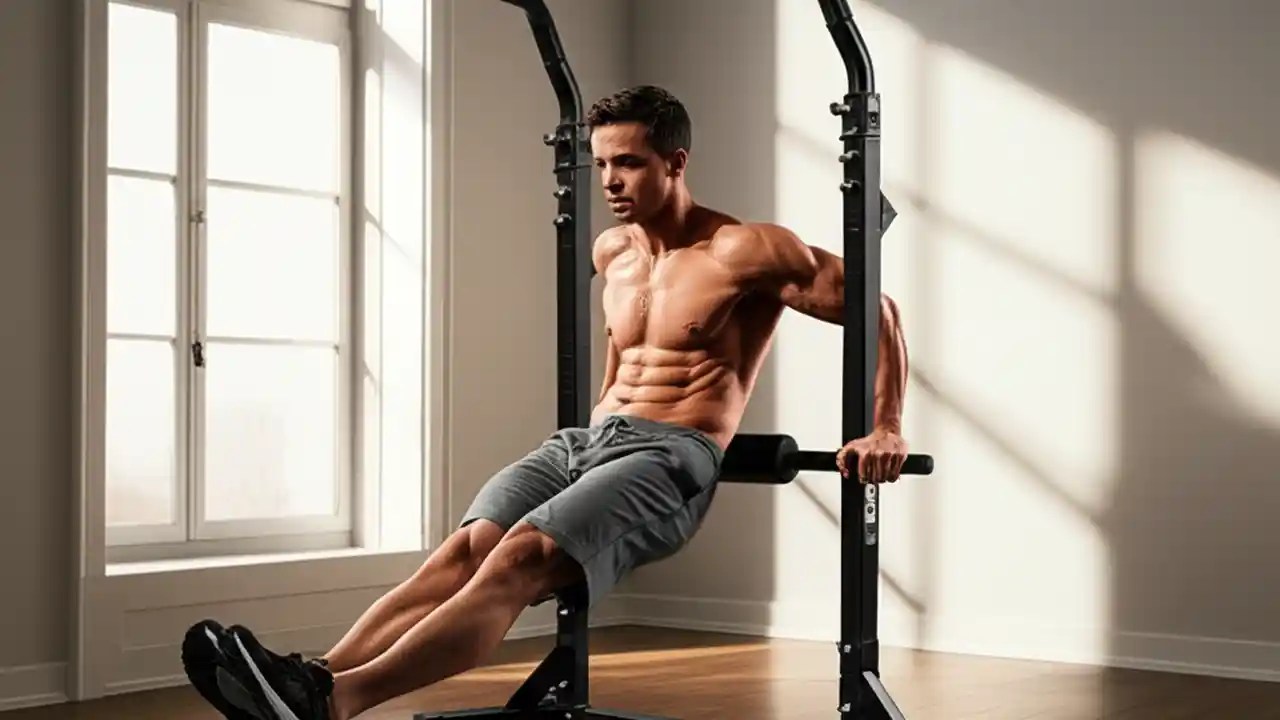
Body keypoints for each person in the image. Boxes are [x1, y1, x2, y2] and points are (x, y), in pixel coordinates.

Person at [180, 85, 912, 720]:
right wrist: (596, 423)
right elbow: (620, 354)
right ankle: (311, 679)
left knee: (520, 558)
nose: (611, 180)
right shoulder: (613, 252)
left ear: (675, 164)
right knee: (465, 551)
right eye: (602, 164)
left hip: (670, 452)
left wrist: (886, 426)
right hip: (587, 443)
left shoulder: (743, 250)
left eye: (628, 162)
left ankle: (338, 703)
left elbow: (876, 308)